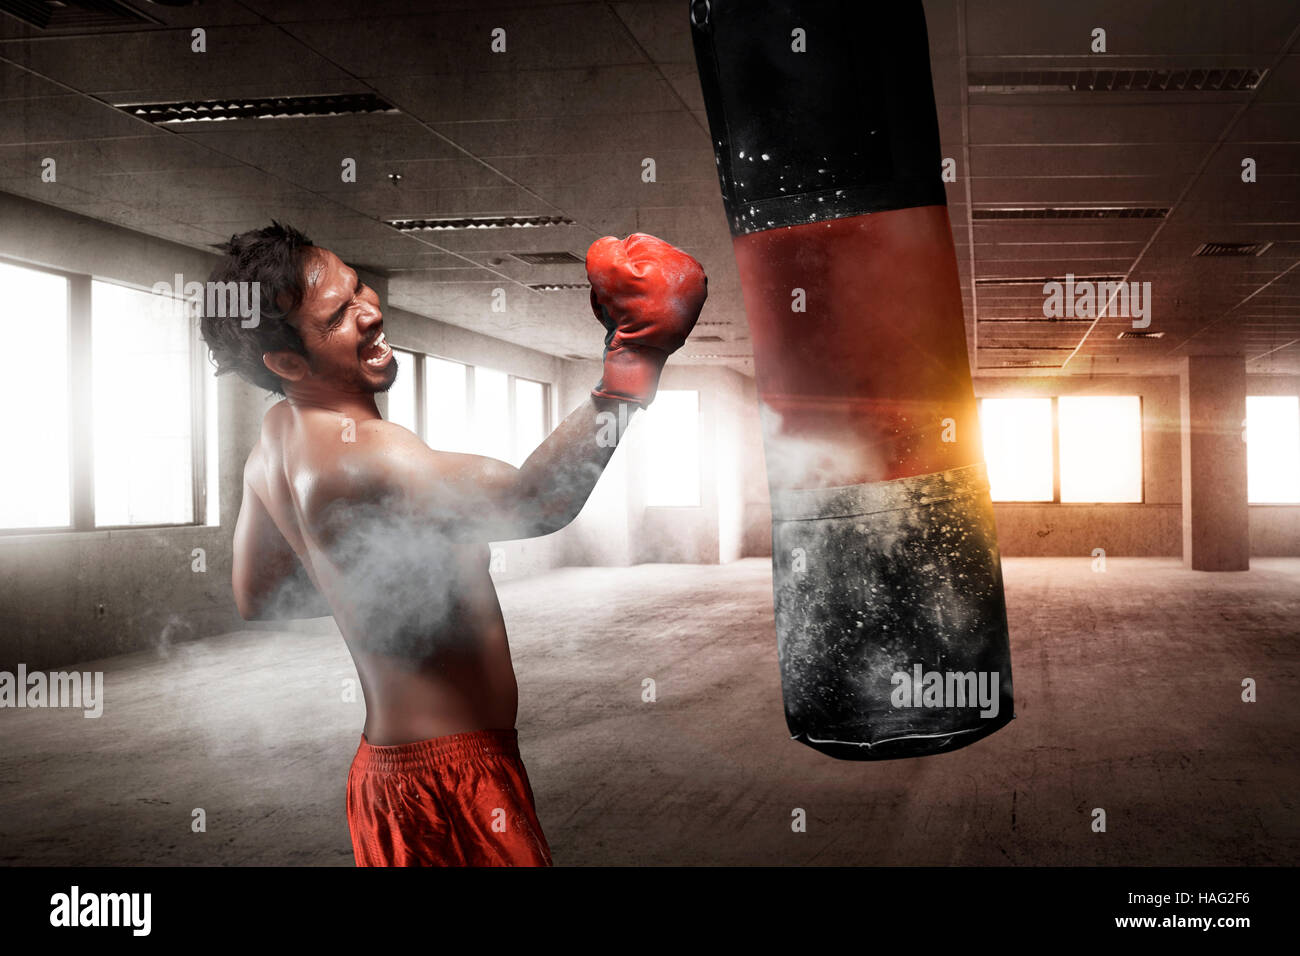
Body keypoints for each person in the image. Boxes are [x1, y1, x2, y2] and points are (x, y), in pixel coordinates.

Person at [199, 222, 706, 865]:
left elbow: (262, 595)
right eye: (338, 317)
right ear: (288, 363)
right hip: (451, 779)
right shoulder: (371, 454)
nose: (370, 312)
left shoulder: (273, 442)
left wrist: (378, 589)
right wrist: (635, 360)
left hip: (387, 775)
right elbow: (536, 502)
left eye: (357, 288)